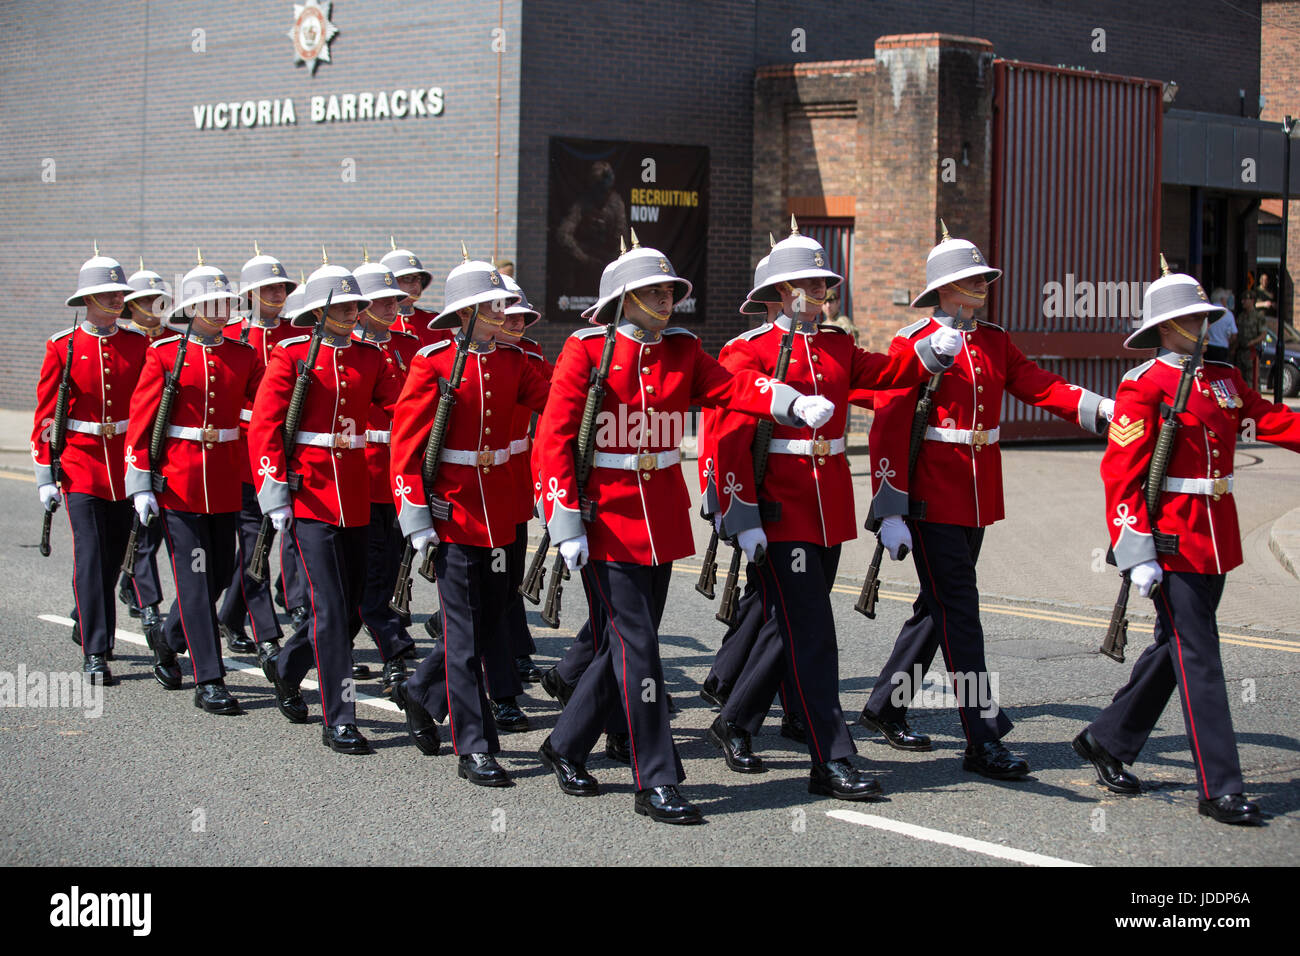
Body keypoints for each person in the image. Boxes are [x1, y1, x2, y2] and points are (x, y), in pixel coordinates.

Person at [533, 232, 837, 824]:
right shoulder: (587, 351)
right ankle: (657, 778)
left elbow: (733, 386)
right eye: (653, 290)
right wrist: (563, 517)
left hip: (661, 517)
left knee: (617, 645)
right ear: (625, 298)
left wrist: (789, 402)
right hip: (606, 522)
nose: (666, 298)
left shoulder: (681, 351)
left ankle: (565, 743)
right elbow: (554, 439)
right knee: (640, 651)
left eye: (670, 289)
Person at [706, 222, 957, 798]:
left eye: (823, 284)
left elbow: (888, 376)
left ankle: (736, 720)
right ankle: (831, 756)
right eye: (809, 285)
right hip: (777, 508)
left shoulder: (838, 345)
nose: (822, 293)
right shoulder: (746, 351)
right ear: (777, 292)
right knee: (814, 634)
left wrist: (927, 355)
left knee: (789, 623)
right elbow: (728, 439)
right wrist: (740, 515)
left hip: (827, 507)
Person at [859, 222, 1114, 780]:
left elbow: (1039, 385)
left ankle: (884, 705)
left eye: (982, 277)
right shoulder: (914, 342)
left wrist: (1100, 409)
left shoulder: (993, 339)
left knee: (939, 608)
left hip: (975, 493)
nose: (982, 285)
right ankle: (981, 735)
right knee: (962, 613)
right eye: (972, 279)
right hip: (929, 495)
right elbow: (889, 426)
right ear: (947, 287)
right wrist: (890, 505)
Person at [1074, 262, 1300, 826]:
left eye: (1205, 315)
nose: (1206, 323)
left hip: (1215, 536)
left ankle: (1107, 740)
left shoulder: (1221, 380)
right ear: (1169, 326)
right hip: (1170, 539)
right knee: (1200, 658)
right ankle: (1220, 786)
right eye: (1195, 316)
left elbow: (1272, 421)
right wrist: (1135, 549)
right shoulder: (1143, 385)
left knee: (1173, 652)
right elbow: (1121, 473)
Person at [388, 251, 549, 786]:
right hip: (454, 512)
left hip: (500, 510)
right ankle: (473, 745)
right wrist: (416, 515)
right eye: (492, 307)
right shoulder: (432, 363)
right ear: (466, 312)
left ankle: (420, 689)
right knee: (462, 631)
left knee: (484, 625)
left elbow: (554, 400)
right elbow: (406, 446)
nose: (504, 314)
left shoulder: (512, 361)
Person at [249, 255, 403, 753]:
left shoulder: (368, 356)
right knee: (331, 609)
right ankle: (340, 718)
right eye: (347, 305)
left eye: (358, 305)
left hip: (355, 493)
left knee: (350, 608)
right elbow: (266, 428)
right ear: (320, 310)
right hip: (310, 494)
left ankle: (287, 666)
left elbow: (401, 401)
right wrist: (274, 493)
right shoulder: (292, 356)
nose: (356, 312)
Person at [125, 255, 262, 710]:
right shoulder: (165, 353)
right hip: (179, 479)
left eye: (226, 301)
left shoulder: (243, 354)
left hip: (224, 475)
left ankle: (168, 637)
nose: (222, 308)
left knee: (220, 571)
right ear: (194, 308)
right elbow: (143, 423)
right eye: (212, 302)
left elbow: (267, 403)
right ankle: (209, 678)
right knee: (195, 576)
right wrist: (140, 481)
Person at [33, 247, 147, 684]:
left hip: (125, 461)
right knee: (90, 554)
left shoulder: (137, 343)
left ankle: (87, 610)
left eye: (119, 294)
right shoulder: (63, 345)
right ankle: (98, 650)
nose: (117, 301)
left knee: (116, 553)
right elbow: (46, 416)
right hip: (81, 462)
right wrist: (46, 471)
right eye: (107, 294)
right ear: (88, 300)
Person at [216, 246, 299, 665]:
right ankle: (267, 632)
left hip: (285, 449)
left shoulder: (298, 334)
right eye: (268, 288)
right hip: (241, 452)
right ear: (250, 293)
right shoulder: (230, 335)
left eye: (282, 286)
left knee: (259, 542)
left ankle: (230, 615)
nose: (277, 293)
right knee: (255, 540)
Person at [349, 251, 421, 693]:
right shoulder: (351, 350)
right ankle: (392, 649)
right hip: (361, 470)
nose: (393, 306)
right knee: (372, 568)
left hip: (400, 470)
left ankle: (381, 639)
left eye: (395, 300)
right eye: (382, 301)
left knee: (394, 565)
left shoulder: (407, 345)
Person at [116, 260, 171, 631]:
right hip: (130, 442)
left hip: (168, 444)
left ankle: (129, 580)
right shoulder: (126, 341)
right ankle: (146, 597)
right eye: (145, 298)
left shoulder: (172, 339)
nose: (153, 304)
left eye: (158, 298)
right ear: (131, 304)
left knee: (157, 526)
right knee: (141, 525)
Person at [1235, 290, 1267, 390]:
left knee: (1252, 380)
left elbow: (1263, 334)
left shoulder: (1258, 316)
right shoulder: (1241, 316)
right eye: (1242, 299)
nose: (1243, 302)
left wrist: (1252, 342)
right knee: (1239, 380)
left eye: (1245, 299)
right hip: (1240, 352)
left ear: (1252, 301)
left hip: (1251, 352)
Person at [1205, 288, 1237, 365]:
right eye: (1226, 299)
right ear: (1222, 299)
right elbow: (1234, 335)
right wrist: (1230, 345)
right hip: (1222, 349)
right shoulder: (1228, 314)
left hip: (1208, 347)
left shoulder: (1207, 311)